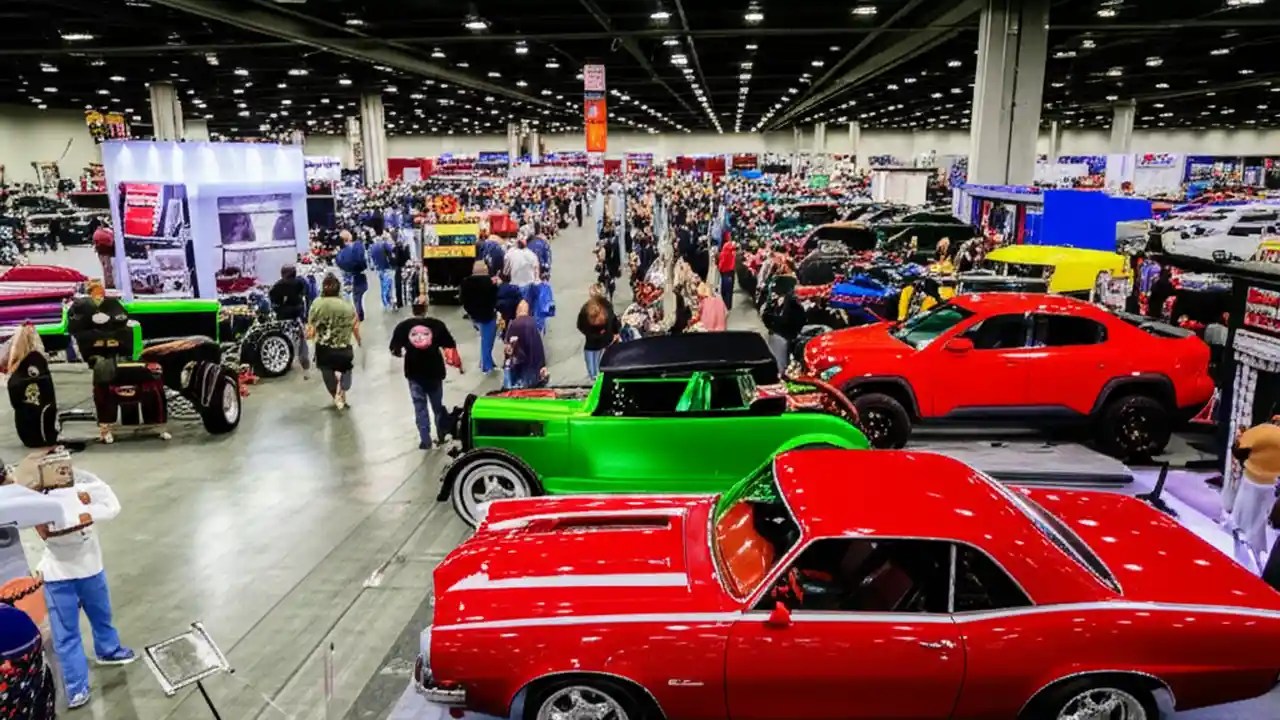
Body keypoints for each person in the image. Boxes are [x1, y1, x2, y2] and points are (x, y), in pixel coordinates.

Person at [31, 462, 134, 709]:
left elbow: (111, 505)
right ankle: (76, 686)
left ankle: (108, 649)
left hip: (90, 569)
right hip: (58, 575)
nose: (62, 473)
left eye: (64, 467)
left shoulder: (82, 491)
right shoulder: (38, 500)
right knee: (66, 635)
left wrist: (83, 479)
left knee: (101, 615)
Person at [390, 300, 461, 449]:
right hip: (434, 371)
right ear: (426, 308)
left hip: (414, 372)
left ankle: (425, 440)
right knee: (437, 406)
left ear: (413, 309)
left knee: (419, 407)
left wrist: (405, 351)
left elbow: (394, 349)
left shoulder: (403, 327)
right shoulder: (437, 325)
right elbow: (450, 344)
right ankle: (441, 436)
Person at [307, 274, 361, 410]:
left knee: (327, 373)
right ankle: (342, 390)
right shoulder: (347, 306)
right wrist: (359, 341)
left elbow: (311, 330)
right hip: (344, 349)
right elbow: (355, 326)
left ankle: (336, 397)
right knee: (346, 370)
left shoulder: (317, 304)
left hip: (324, 349)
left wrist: (311, 338)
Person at [268, 264, 312, 379]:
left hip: (283, 317)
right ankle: (304, 363)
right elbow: (305, 296)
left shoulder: (277, 286)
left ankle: (287, 361)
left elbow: (273, 302)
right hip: (297, 315)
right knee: (301, 339)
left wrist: (279, 308)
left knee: (285, 338)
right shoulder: (299, 283)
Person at [460, 260, 499, 373]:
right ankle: (486, 366)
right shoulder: (489, 283)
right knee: (487, 340)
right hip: (488, 315)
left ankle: (487, 361)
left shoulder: (465, 282)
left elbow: (462, 299)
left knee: (484, 338)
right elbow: (495, 298)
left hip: (474, 315)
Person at [577, 284, 619, 381]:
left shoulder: (606, 307)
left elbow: (613, 320)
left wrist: (615, 332)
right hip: (596, 343)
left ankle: (597, 381)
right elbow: (580, 325)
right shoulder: (588, 309)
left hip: (600, 342)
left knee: (596, 370)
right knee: (594, 371)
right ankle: (596, 380)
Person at [504, 300, 547, 389]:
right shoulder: (532, 323)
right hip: (533, 365)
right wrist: (542, 365)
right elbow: (539, 347)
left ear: (517, 311)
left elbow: (510, 348)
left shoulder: (514, 324)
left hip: (521, 366)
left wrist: (507, 362)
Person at [334, 230, 369, 322]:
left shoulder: (339, 255)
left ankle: (350, 316)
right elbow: (362, 262)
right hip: (357, 277)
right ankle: (358, 316)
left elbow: (339, 264)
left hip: (347, 279)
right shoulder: (356, 247)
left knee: (349, 297)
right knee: (357, 299)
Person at [369, 230, 396, 311]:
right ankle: (389, 305)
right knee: (388, 287)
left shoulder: (372, 247)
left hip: (379, 269)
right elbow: (393, 251)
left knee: (383, 287)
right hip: (387, 268)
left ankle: (385, 305)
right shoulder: (385, 244)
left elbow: (371, 260)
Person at [92, 220, 116, 290]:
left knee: (104, 267)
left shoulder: (97, 232)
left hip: (100, 251)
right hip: (107, 252)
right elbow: (111, 242)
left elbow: (94, 241)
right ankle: (110, 283)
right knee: (108, 268)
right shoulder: (110, 232)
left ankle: (107, 283)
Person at [391, 233, 412, 310]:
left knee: (399, 287)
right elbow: (408, 258)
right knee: (404, 287)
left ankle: (400, 303)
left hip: (399, 269)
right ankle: (404, 303)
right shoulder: (405, 248)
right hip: (404, 269)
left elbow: (393, 260)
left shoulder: (395, 249)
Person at [717, 233, 737, 310]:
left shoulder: (725, 252)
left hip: (725, 272)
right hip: (731, 272)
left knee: (724, 291)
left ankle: (725, 306)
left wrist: (719, 268)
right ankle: (729, 306)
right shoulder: (732, 251)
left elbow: (721, 263)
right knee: (730, 291)